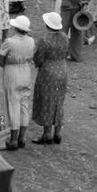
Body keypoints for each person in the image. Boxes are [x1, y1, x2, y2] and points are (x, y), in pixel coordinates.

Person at [0, 15, 35, 151]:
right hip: (26, 70)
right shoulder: (31, 41)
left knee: (13, 104)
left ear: (16, 28)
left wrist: (8, 64)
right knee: (24, 105)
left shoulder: (10, 42)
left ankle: (13, 139)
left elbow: (0, 60)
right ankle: (22, 138)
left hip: (12, 72)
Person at [31, 12, 69, 145]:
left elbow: (38, 57)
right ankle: (58, 132)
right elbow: (66, 52)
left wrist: (39, 64)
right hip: (62, 69)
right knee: (59, 101)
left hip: (48, 72)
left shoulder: (44, 39)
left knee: (47, 101)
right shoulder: (64, 37)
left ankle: (47, 134)